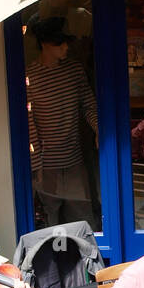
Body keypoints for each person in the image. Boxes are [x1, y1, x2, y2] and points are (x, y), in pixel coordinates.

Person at [27, 16, 99, 227]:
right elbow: (30, 122)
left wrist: (98, 130)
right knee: (50, 226)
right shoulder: (30, 77)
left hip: (74, 160)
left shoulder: (74, 71)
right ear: (44, 44)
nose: (65, 47)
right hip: (46, 165)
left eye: (66, 41)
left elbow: (88, 104)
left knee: (83, 221)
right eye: (59, 42)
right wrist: (37, 167)